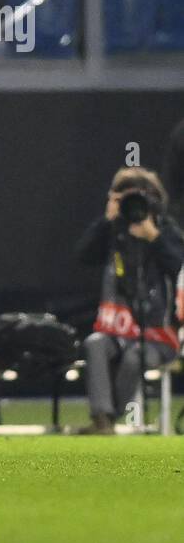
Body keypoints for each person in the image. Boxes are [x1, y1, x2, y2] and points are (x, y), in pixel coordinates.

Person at [76, 167, 183, 434]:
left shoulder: (165, 229)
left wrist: (154, 238)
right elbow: (83, 256)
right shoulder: (115, 230)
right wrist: (106, 220)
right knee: (95, 344)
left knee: (136, 356)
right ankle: (102, 419)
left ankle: (109, 419)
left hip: (158, 335)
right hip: (117, 331)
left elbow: (181, 269)